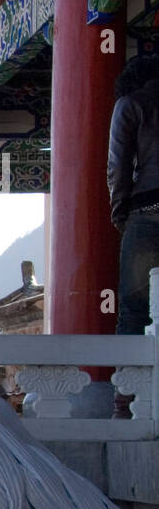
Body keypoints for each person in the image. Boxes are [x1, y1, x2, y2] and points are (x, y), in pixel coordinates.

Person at [107, 53, 159, 336]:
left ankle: (127, 381)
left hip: (147, 215)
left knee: (134, 310)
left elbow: (118, 167)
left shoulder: (130, 104)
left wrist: (120, 215)